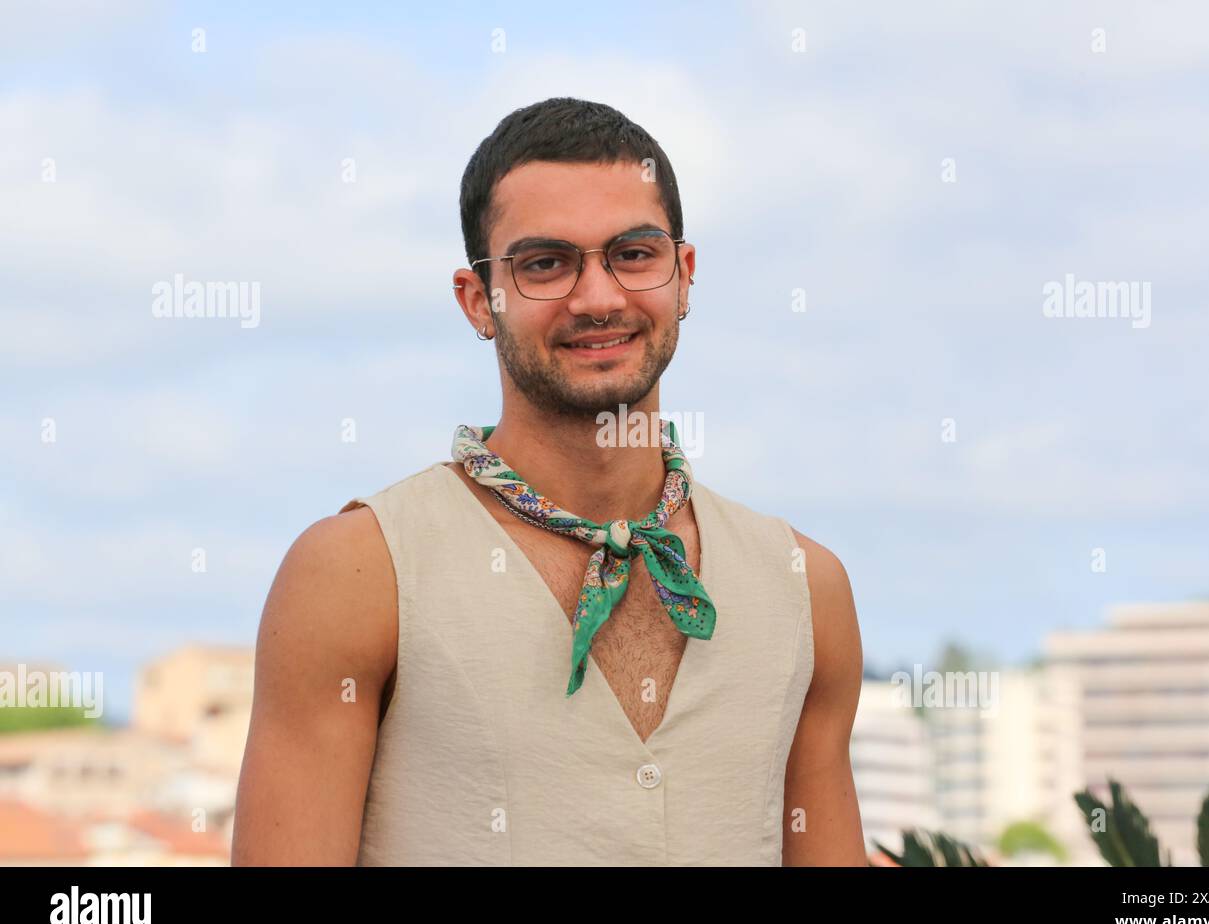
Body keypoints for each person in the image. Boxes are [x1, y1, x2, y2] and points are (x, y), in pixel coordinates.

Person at [233, 97, 867, 866]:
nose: (598, 298)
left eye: (633, 253)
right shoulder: (357, 572)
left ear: (684, 274)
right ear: (478, 301)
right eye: (545, 264)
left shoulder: (805, 587)